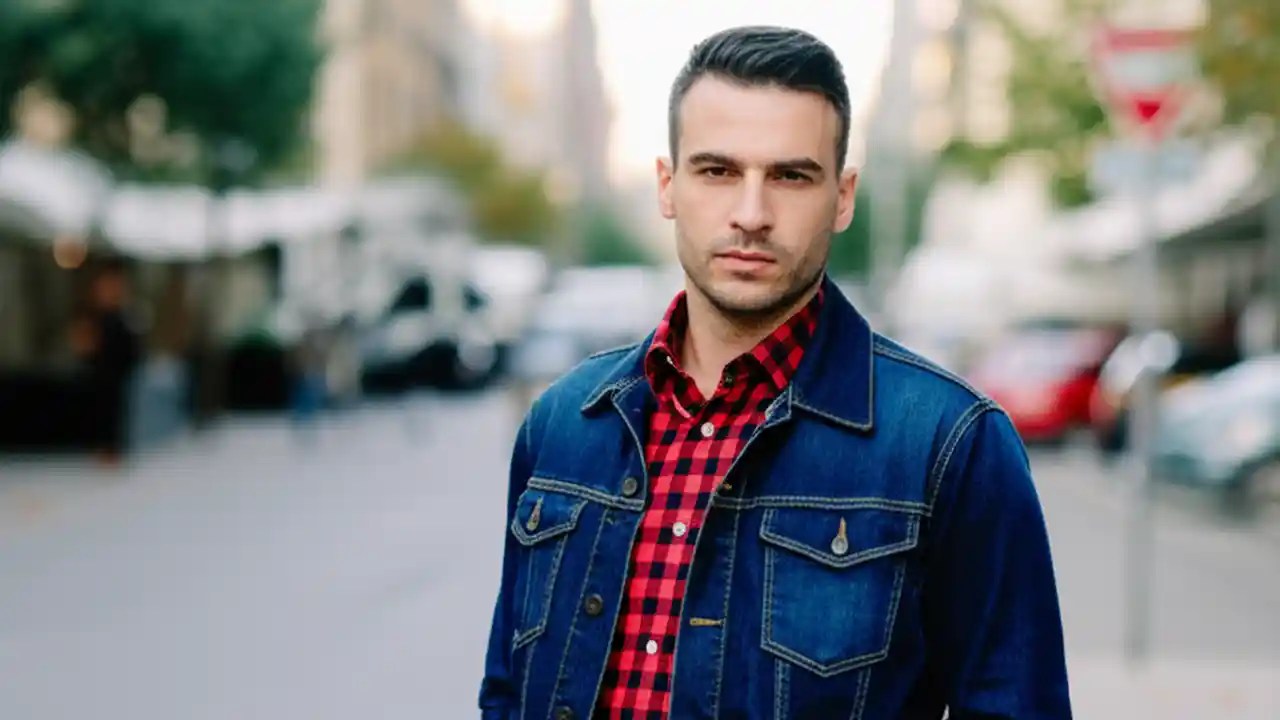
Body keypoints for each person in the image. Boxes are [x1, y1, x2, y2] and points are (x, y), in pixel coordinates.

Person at [479, 26, 1071, 720]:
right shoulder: (564, 423)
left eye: (790, 176)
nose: (751, 214)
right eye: (717, 171)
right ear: (668, 185)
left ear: (843, 197)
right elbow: (507, 694)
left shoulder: (950, 446)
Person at [78, 262, 142, 465]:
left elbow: (134, 352)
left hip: (118, 381)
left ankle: (112, 449)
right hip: (97, 380)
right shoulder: (92, 318)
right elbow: (84, 349)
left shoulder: (125, 319)